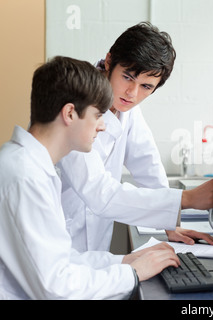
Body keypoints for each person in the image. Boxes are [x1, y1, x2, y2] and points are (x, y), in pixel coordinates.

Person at [0, 56, 180, 299]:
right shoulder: (25, 178)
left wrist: (125, 260)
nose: (104, 127)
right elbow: (56, 288)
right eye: (98, 115)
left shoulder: (29, 166)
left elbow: (63, 259)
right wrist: (132, 272)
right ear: (70, 113)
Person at [56, 22, 213, 253]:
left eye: (146, 86)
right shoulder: (76, 99)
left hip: (90, 249)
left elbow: (148, 165)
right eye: (127, 77)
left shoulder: (126, 108)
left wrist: (170, 224)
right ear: (108, 60)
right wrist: (185, 199)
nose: (132, 93)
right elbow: (98, 192)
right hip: (59, 240)